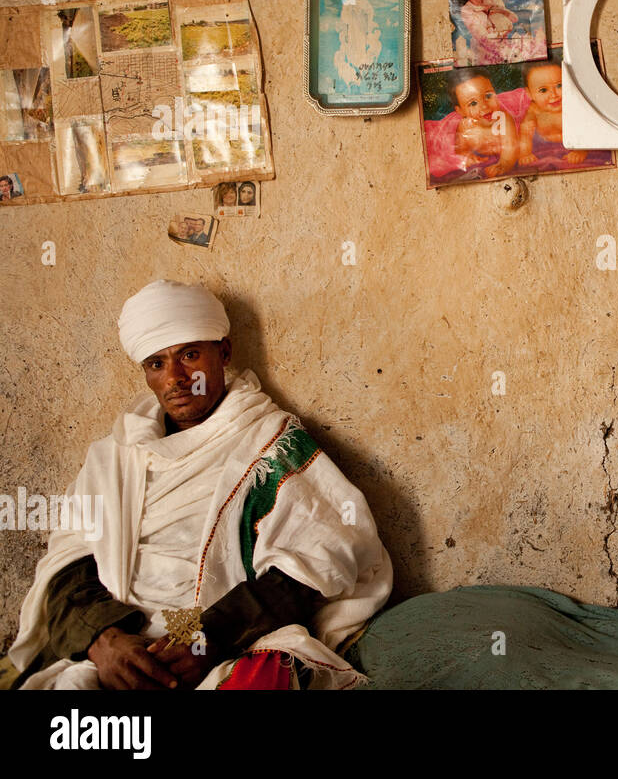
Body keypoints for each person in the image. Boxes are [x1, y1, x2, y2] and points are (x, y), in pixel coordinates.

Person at [1, 280, 392, 690]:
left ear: (223, 352)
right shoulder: (113, 457)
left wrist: (210, 637)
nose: (176, 378)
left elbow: (324, 557)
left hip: (225, 643)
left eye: (189, 355)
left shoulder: (273, 444)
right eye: (157, 364)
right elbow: (68, 567)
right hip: (123, 646)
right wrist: (105, 641)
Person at [448, 69, 534, 179]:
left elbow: (511, 146)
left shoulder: (503, 119)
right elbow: (461, 150)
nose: (484, 106)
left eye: (488, 96)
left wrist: (504, 164)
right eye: (473, 103)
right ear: (460, 111)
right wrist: (467, 157)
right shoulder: (464, 127)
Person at [518, 61, 585, 164]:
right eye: (543, 90)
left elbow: (586, 130)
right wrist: (525, 154)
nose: (554, 95)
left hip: (576, 146)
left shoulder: (573, 106)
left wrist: (581, 152)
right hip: (544, 147)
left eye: (559, 86)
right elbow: (525, 134)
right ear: (529, 94)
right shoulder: (534, 110)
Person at [451, 0, 520, 65]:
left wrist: (498, 10)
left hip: (507, 52)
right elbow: (483, 39)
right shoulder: (466, 11)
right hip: (487, 57)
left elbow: (514, 19)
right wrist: (504, 31)